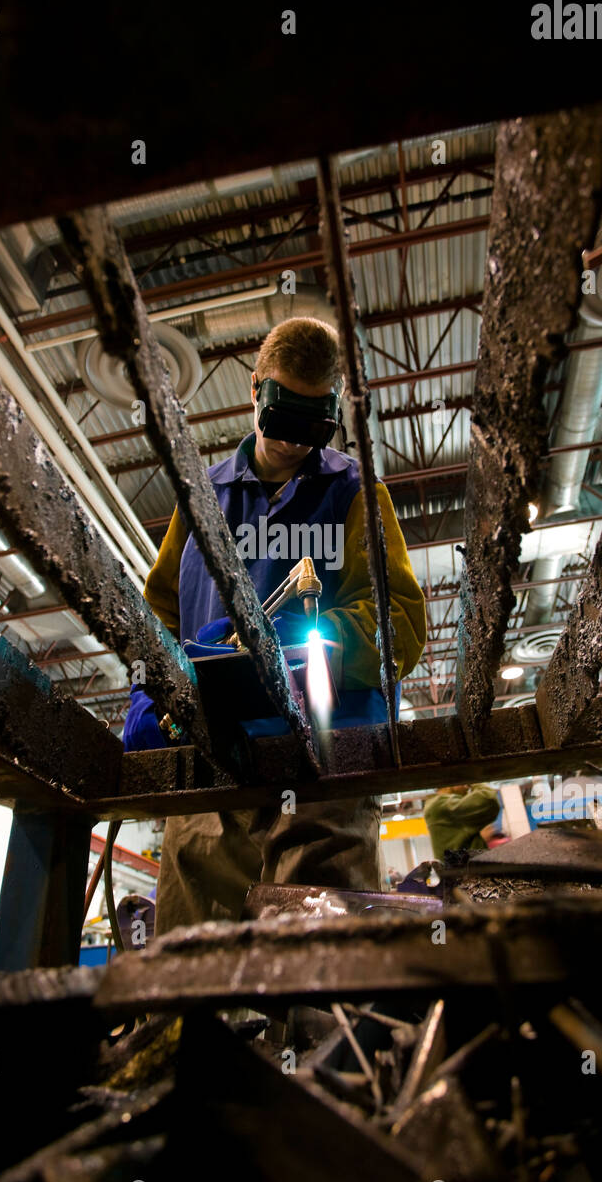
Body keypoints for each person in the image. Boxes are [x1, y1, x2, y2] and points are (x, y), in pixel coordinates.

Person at [124, 316, 427, 935]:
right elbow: (160, 611)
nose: (293, 443)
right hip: (216, 764)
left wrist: (296, 649)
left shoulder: (355, 493)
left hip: (326, 763)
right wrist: (150, 686)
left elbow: (402, 622)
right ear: (254, 389)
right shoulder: (200, 497)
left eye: (312, 429)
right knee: (190, 972)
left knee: (325, 968)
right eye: (283, 421)